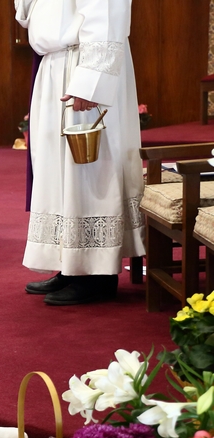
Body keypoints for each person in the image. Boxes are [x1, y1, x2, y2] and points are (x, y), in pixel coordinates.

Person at [17, 0, 144, 305]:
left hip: (83, 64)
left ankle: (98, 276)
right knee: (56, 170)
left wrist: (91, 80)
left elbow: (108, 10)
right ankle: (71, 265)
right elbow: (27, 13)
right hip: (55, 64)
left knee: (88, 168)